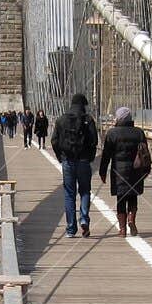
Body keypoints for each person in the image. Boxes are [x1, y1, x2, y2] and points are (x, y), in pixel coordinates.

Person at [51, 93, 98, 238]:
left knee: (69, 194)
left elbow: (54, 141)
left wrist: (60, 157)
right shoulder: (88, 120)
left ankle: (71, 229)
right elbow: (94, 141)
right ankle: (84, 219)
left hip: (68, 161)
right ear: (83, 105)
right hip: (84, 161)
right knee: (85, 191)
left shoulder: (61, 120)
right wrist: (90, 157)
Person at [98, 105, 150, 237]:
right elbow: (145, 153)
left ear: (118, 118)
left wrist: (102, 172)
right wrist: (146, 169)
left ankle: (122, 230)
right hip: (135, 170)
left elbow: (106, 155)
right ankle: (131, 219)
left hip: (118, 171)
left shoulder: (112, 133)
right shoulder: (139, 132)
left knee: (121, 198)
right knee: (133, 196)